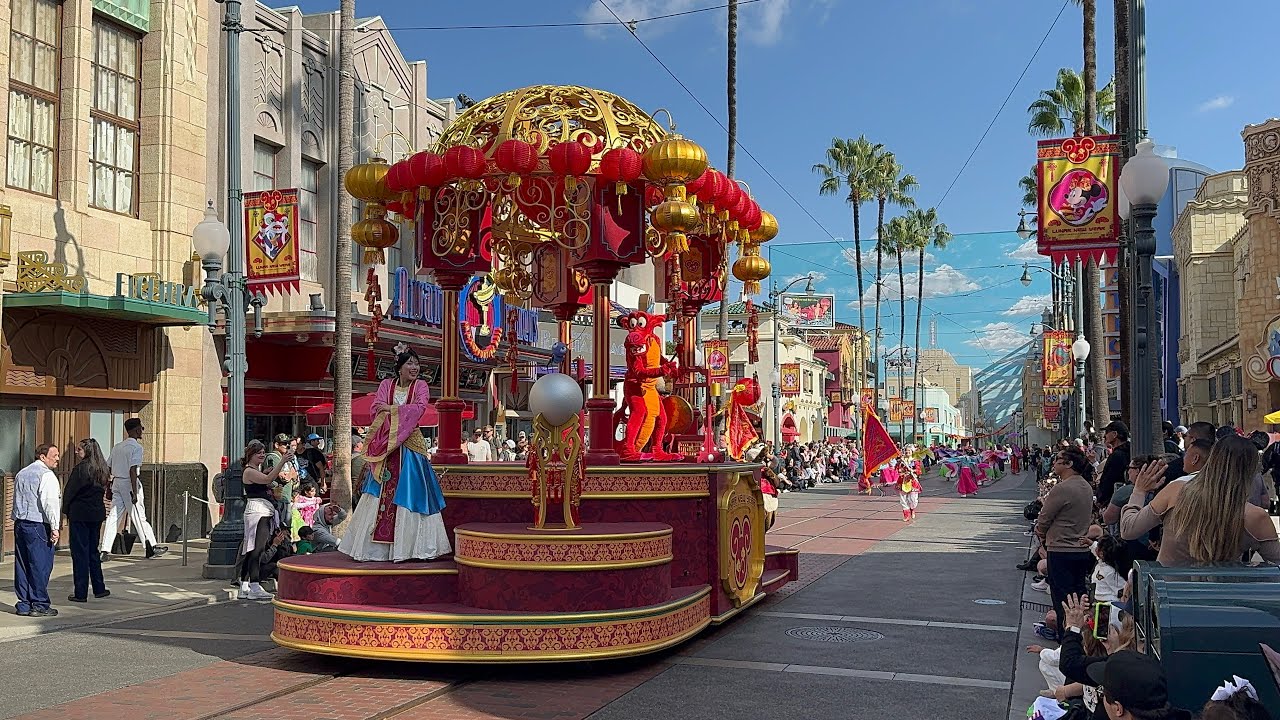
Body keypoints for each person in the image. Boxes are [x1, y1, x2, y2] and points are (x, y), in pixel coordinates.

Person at [340, 348, 451, 562]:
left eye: (416, 364)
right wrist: (396, 410)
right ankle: (376, 549)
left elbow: (419, 409)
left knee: (413, 490)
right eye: (409, 363)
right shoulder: (386, 385)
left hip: (411, 446)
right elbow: (376, 408)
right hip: (387, 445)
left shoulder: (421, 386)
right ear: (399, 367)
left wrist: (390, 409)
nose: (414, 368)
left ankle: (411, 548)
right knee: (378, 490)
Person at [1120, 435, 1280, 566]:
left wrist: (1139, 491)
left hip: (1170, 590)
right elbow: (1276, 562)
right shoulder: (1255, 517)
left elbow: (1128, 529)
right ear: (1251, 471)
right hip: (1221, 593)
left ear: (1212, 460)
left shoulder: (1175, 491)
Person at [1036, 447, 1096, 641]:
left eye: (1058, 459)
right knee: (1078, 597)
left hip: (1061, 548)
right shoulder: (1086, 486)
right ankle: (1080, 638)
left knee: (1062, 599)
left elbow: (1045, 517)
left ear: (1069, 464)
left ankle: (1066, 640)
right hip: (1081, 549)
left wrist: (1041, 534)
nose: (1054, 462)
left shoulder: (1063, 488)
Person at [101, 418, 167, 560]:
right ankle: (151, 546)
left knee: (113, 516)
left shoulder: (117, 447)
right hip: (129, 483)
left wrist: (110, 484)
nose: (142, 431)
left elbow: (108, 467)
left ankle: (105, 550)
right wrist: (135, 492)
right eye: (141, 429)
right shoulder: (136, 448)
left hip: (117, 482)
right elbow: (132, 470)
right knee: (139, 516)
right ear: (136, 430)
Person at [238, 439, 294, 600]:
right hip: (258, 512)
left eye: (263, 452)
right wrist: (282, 461)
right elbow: (268, 479)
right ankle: (254, 585)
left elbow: (266, 479)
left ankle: (245, 585)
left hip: (262, 510)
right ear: (250, 455)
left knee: (252, 549)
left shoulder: (255, 470)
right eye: (258, 453)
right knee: (257, 549)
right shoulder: (249, 471)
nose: (262, 455)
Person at [11, 444, 61, 617]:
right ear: (42, 457)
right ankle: (39, 603)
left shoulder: (22, 473)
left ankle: (24, 603)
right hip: (38, 524)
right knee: (40, 565)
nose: (57, 458)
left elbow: (16, 498)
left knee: (22, 564)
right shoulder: (47, 475)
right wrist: (55, 527)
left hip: (21, 523)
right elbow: (50, 503)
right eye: (54, 455)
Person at [61, 439, 111, 603]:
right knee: (93, 551)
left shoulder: (81, 469)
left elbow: (70, 491)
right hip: (96, 513)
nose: (76, 452)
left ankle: (80, 592)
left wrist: (64, 510)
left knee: (80, 553)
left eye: (79, 450)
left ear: (87, 451)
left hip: (80, 514)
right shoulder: (102, 468)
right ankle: (99, 588)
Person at [1097, 421, 1131, 508]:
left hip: (1113, 501)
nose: (1104, 436)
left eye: (1107, 432)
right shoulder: (1129, 451)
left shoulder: (1117, 455)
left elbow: (1109, 479)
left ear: (1115, 434)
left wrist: (1101, 499)